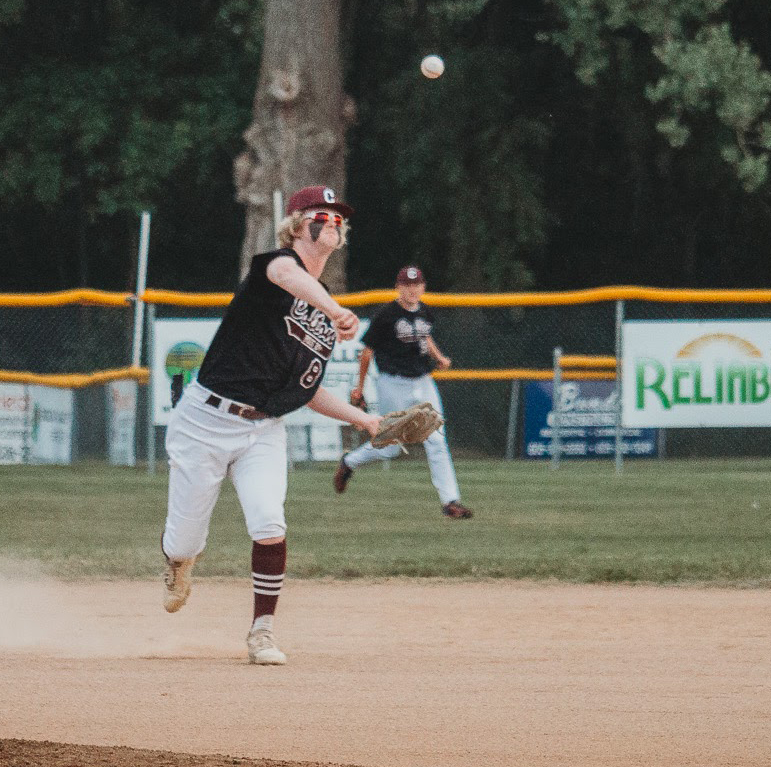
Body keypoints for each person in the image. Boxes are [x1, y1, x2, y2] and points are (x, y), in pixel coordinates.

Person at [161, 185, 382, 665]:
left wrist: (364, 418)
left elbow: (306, 390)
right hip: (204, 420)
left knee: (269, 522)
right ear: (299, 223)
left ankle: (262, 632)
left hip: (262, 429)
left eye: (340, 218)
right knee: (184, 541)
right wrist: (334, 308)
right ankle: (178, 561)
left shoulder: (324, 322)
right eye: (324, 214)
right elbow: (289, 274)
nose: (334, 222)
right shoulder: (274, 268)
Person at [333, 265, 473, 520]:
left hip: (423, 381)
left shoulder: (426, 312)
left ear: (423, 286)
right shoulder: (386, 315)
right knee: (390, 447)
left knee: (437, 440)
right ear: (398, 287)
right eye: (406, 285)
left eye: (416, 284)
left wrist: (439, 357)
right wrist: (360, 388)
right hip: (393, 383)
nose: (412, 289)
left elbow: (424, 336)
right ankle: (349, 462)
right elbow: (367, 352)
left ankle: (450, 501)